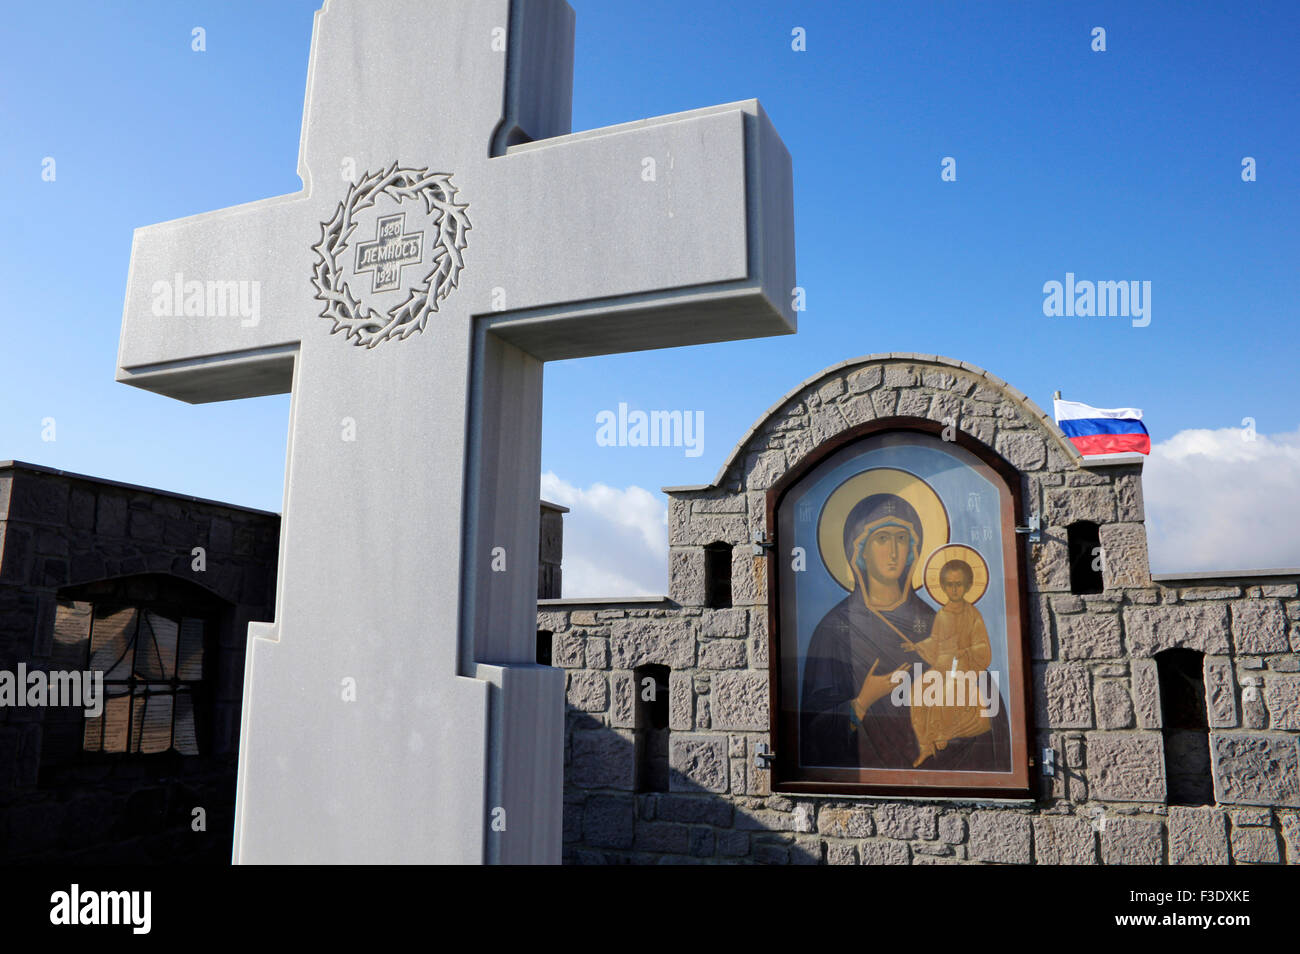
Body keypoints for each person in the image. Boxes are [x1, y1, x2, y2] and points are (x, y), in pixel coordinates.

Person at [800, 493, 1010, 771]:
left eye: (902, 538)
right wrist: (863, 701)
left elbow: (983, 699)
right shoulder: (834, 629)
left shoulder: (937, 619)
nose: (894, 552)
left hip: (942, 765)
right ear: (859, 550)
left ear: (914, 549)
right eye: (882, 539)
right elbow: (811, 732)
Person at [903, 559, 994, 767]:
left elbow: (983, 646)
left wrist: (966, 651)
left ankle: (941, 736)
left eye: (959, 584)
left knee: (947, 692)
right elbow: (935, 642)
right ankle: (925, 745)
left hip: (962, 667)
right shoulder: (942, 614)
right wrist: (917, 646)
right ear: (943, 587)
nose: (954, 589)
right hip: (941, 666)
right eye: (950, 584)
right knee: (918, 690)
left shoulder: (972, 614)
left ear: (968, 586)